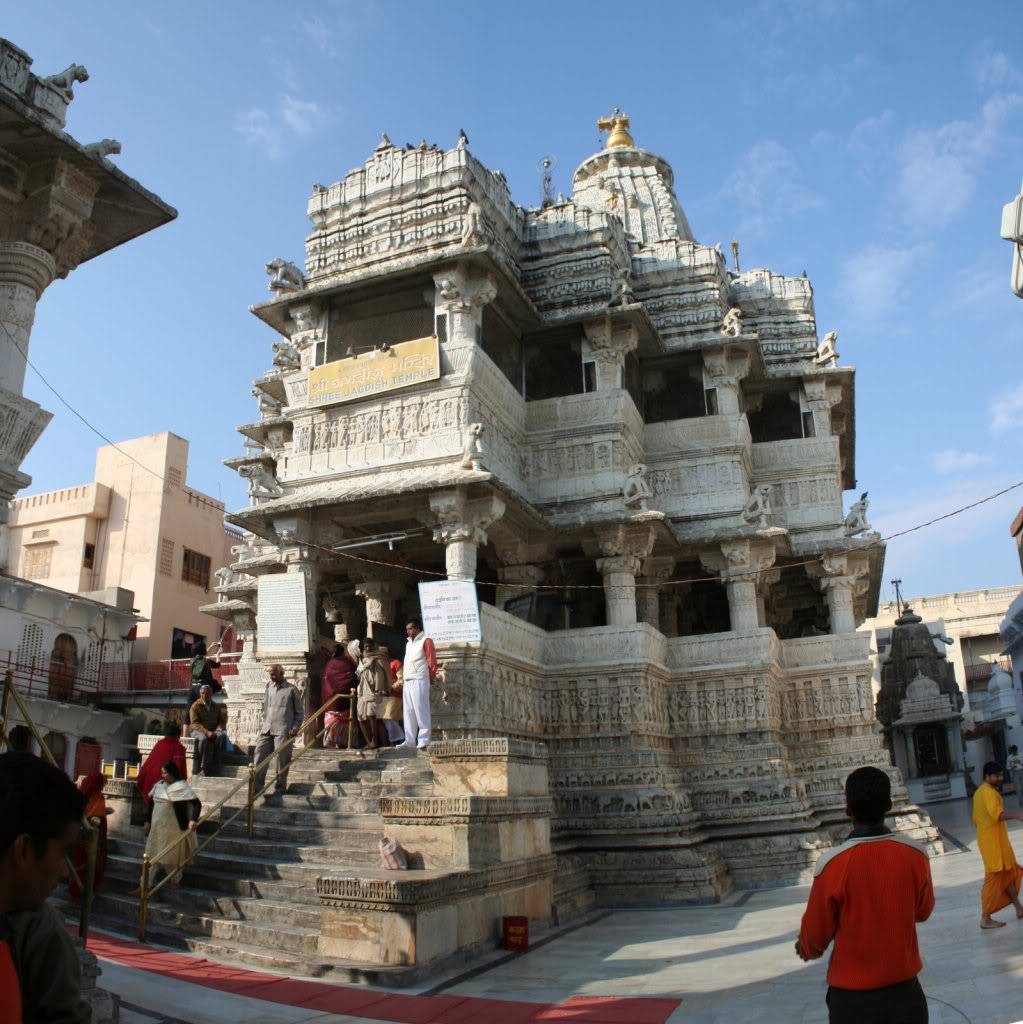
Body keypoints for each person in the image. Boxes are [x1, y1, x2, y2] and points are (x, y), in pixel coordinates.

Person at [796, 766, 933, 1024]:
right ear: (889, 805)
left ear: (847, 809)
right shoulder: (915, 855)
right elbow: (923, 912)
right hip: (906, 997)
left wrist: (803, 946)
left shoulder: (833, 864)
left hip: (852, 1003)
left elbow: (814, 940)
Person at [0, 751, 88, 1024]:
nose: (64, 872)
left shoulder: (29, 930)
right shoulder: (36, 933)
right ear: (25, 850)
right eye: (63, 853)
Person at [972, 760, 1023, 928]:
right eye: (996, 776)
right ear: (987, 776)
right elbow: (997, 815)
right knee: (993, 878)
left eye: (1001, 775)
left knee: (1008, 873)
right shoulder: (989, 793)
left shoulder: (979, 792)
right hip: (993, 844)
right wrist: (1016, 815)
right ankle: (985, 918)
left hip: (994, 840)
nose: (1000, 778)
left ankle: (1018, 908)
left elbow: (976, 819)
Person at [143, 762, 201, 891]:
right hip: (157, 829)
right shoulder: (158, 786)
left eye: (165, 773)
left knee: (171, 856)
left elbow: (197, 804)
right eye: (162, 772)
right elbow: (151, 804)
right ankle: (144, 886)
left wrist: (193, 820)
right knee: (151, 856)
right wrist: (147, 821)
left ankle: (175, 881)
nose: (163, 775)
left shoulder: (181, 787)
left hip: (173, 829)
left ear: (172, 774)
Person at [253, 664, 302, 801]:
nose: (271, 676)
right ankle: (257, 788)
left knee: (282, 759)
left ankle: (280, 787)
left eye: (274, 674)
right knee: (259, 756)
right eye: (270, 674)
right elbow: (266, 708)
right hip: (267, 728)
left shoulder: (292, 689)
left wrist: (295, 727)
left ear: (281, 673)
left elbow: (300, 712)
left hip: (284, 729)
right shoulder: (269, 687)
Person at [68, 771, 113, 900]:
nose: (104, 785)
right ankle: (86, 891)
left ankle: (76, 889)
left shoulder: (82, 793)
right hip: (93, 837)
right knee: (91, 864)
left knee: (80, 860)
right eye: (104, 783)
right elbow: (95, 815)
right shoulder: (97, 796)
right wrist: (106, 811)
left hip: (81, 834)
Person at [402, 617, 437, 751]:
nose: (408, 632)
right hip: (408, 679)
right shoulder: (408, 643)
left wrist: (431, 676)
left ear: (417, 628)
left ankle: (423, 740)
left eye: (410, 629)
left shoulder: (426, 640)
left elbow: (431, 660)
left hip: (420, 678)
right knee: (409, 711)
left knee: (421, 709)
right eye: (407, 629)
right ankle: (409, 740)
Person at [137, 720, 188, 800]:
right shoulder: (178, 748)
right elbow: (180, 772)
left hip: (149, 785)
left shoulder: (159, 744)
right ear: (178, 736)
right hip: (164, 789)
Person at [356, 639, 391, 750]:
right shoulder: (361, 658)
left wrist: (373, 666)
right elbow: (358, 673)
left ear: (373, 646)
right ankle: (369, 741)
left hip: (375, 690)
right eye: (366, 646)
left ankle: (377, 741)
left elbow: (384, 674)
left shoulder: (380, 658)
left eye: (369, 646)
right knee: (361, 717)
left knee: (374, 716)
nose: (368, 648)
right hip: (362, 691)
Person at [321, 643, 356, 748]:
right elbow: (352, 677)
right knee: (345, 723)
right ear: (343, 652)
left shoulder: (330, 663)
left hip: (331, 699)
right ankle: (345, 743)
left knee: (332, 723)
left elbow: (326, 679)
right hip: (346, 699)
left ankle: (331, 743)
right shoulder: (348, 662)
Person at [189, 684, 228, 777]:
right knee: (204, 740)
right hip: (198, 731)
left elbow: (222, 720)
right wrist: (206, 732)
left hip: (213, 730)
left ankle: (217, 765)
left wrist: (218, 729)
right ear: (200, 694)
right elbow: (194, 723)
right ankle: (202, 768)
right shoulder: (195, 706)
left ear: (211, 694)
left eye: (207, 693)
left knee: (222, 737)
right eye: (202, 693)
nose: (205, 695)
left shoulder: (216, 706)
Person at [380, 644, 406, 746]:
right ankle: (396, 740)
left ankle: (396, 739)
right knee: (387, 719)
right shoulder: (379, 665)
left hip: (395, 695)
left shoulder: (396, 663)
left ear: (387, 654)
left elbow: (401, 680)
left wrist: (391, 688)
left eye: (382, 654)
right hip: (382, 696)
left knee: (389, 717)